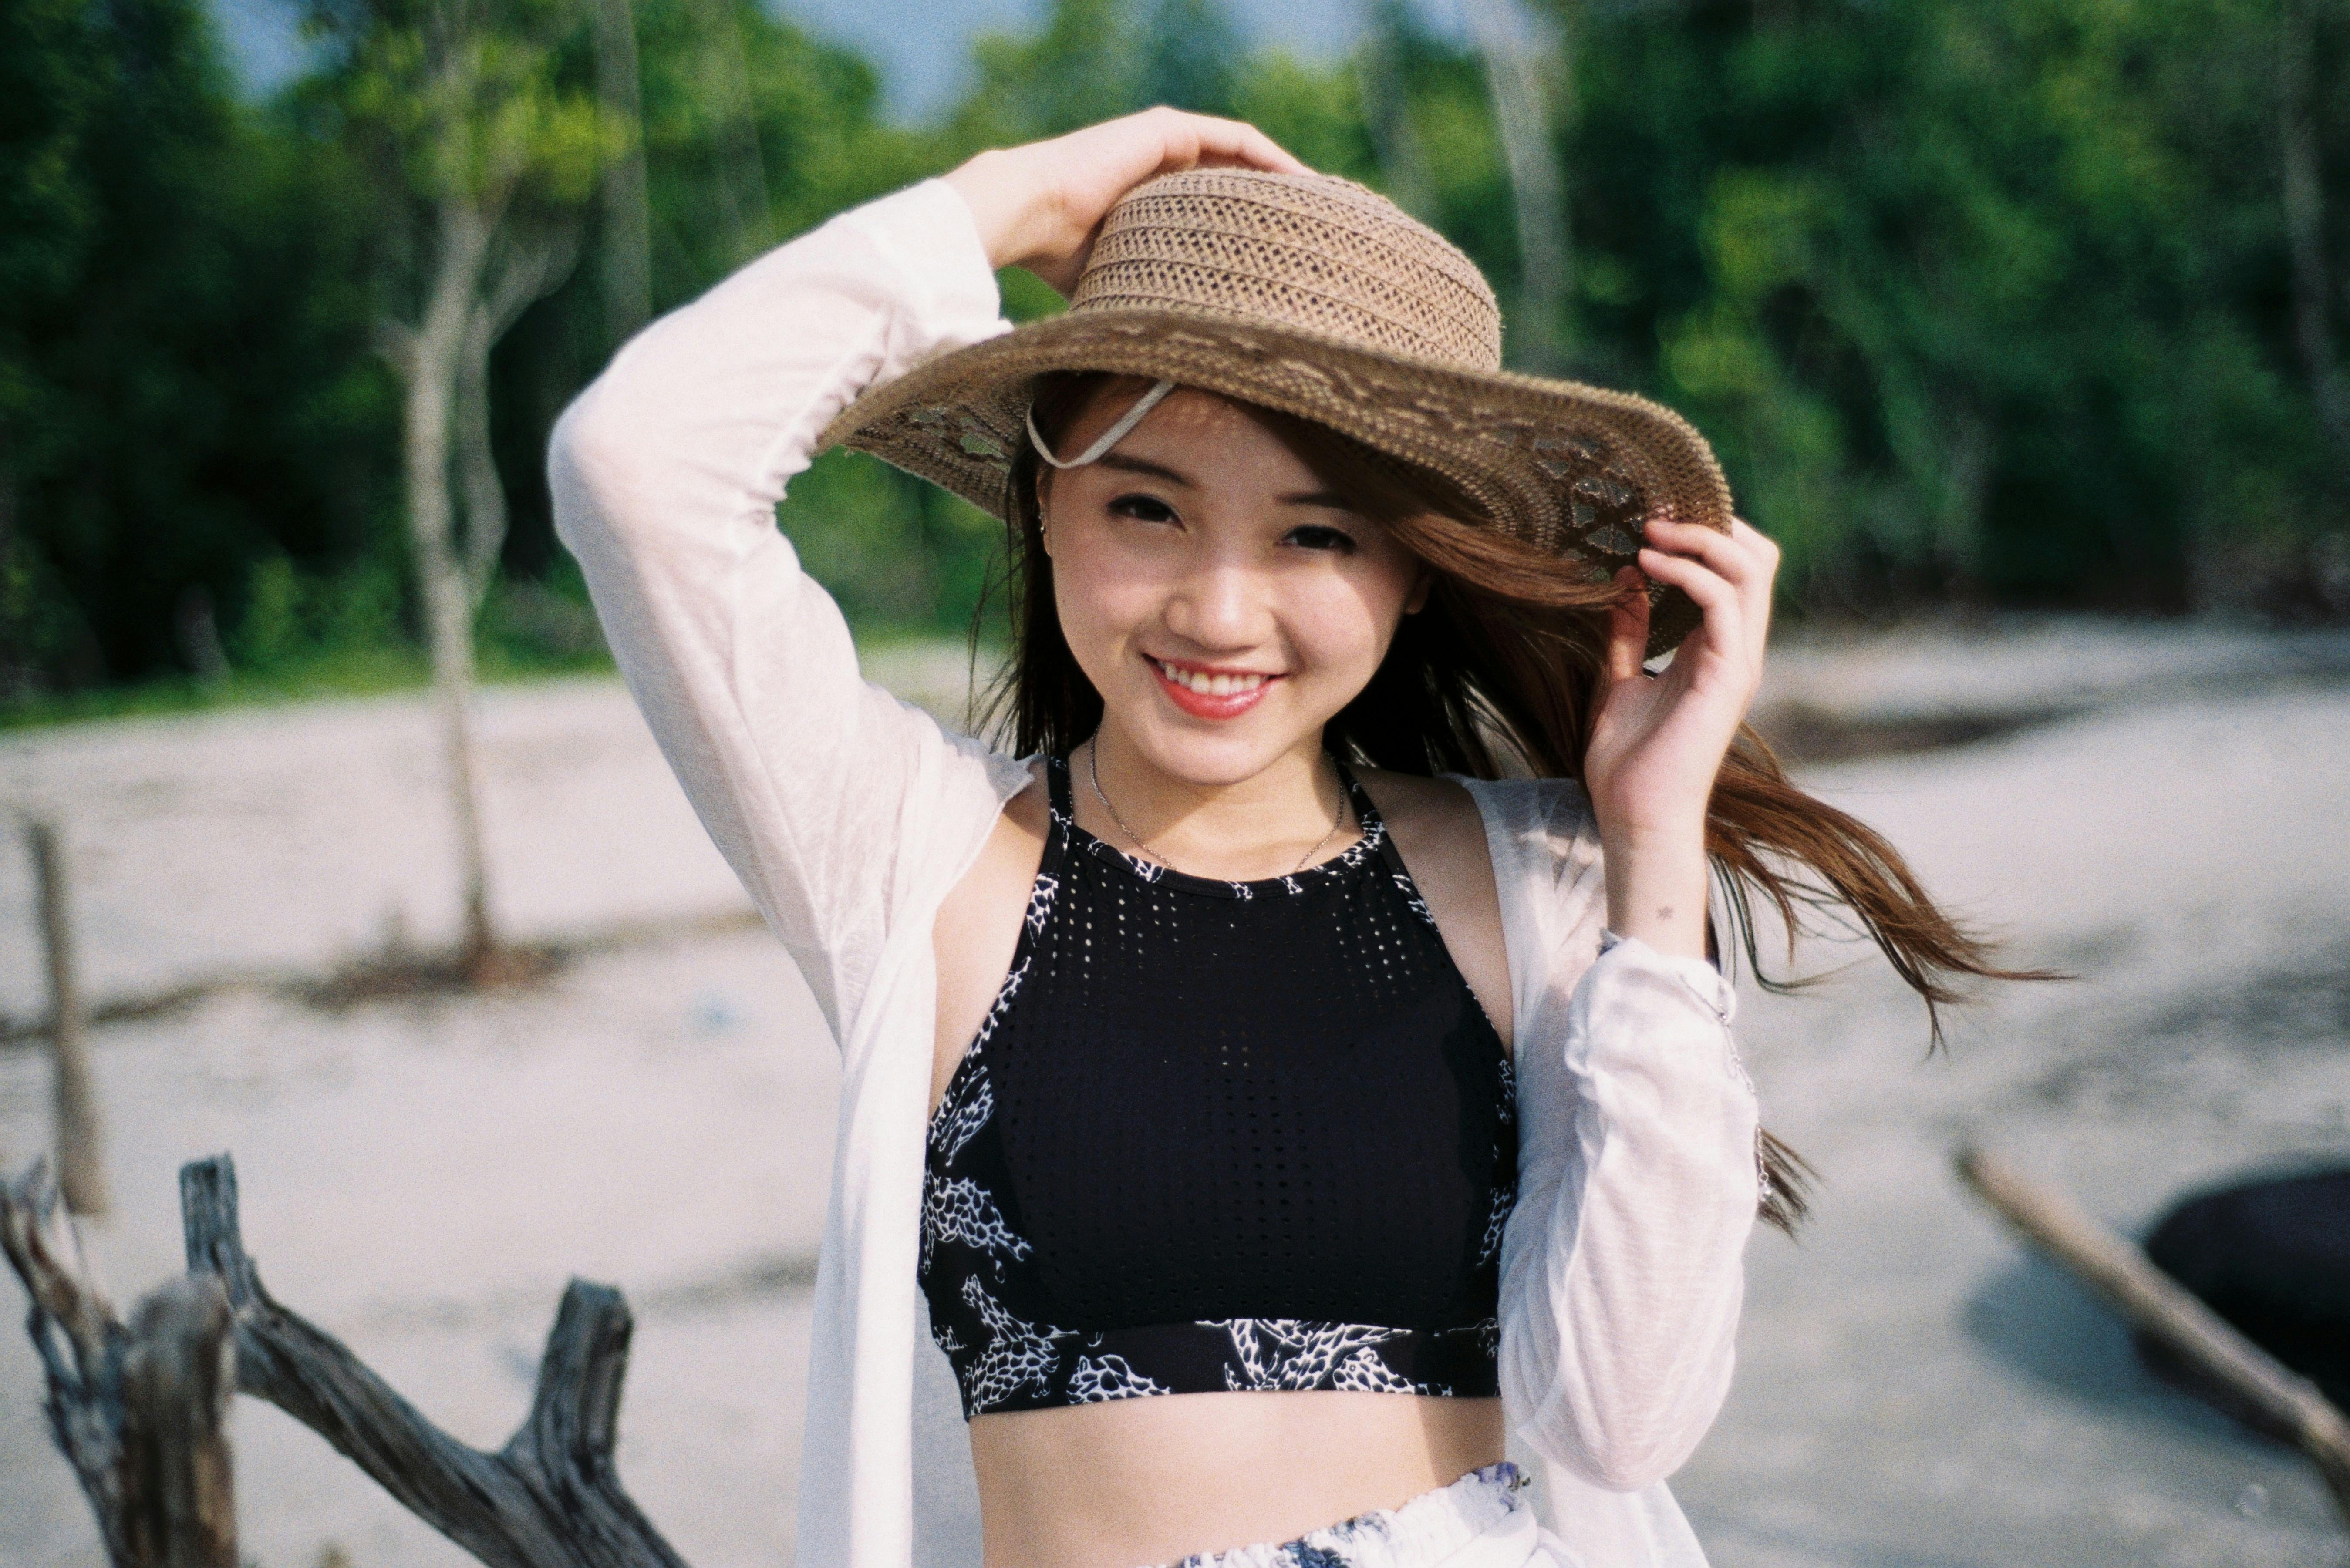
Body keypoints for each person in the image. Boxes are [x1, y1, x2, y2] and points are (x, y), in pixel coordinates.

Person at [549, 109, 2007, 1568]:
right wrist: (1009, 199)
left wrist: (1651, 849)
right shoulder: (916, 858)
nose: (1221, 612)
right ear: (1043, 505)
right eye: (1147, 507)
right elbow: (638, 463)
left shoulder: (1544, 881)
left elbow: (1624, 1421)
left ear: (1416, 571)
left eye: (1317, 535)